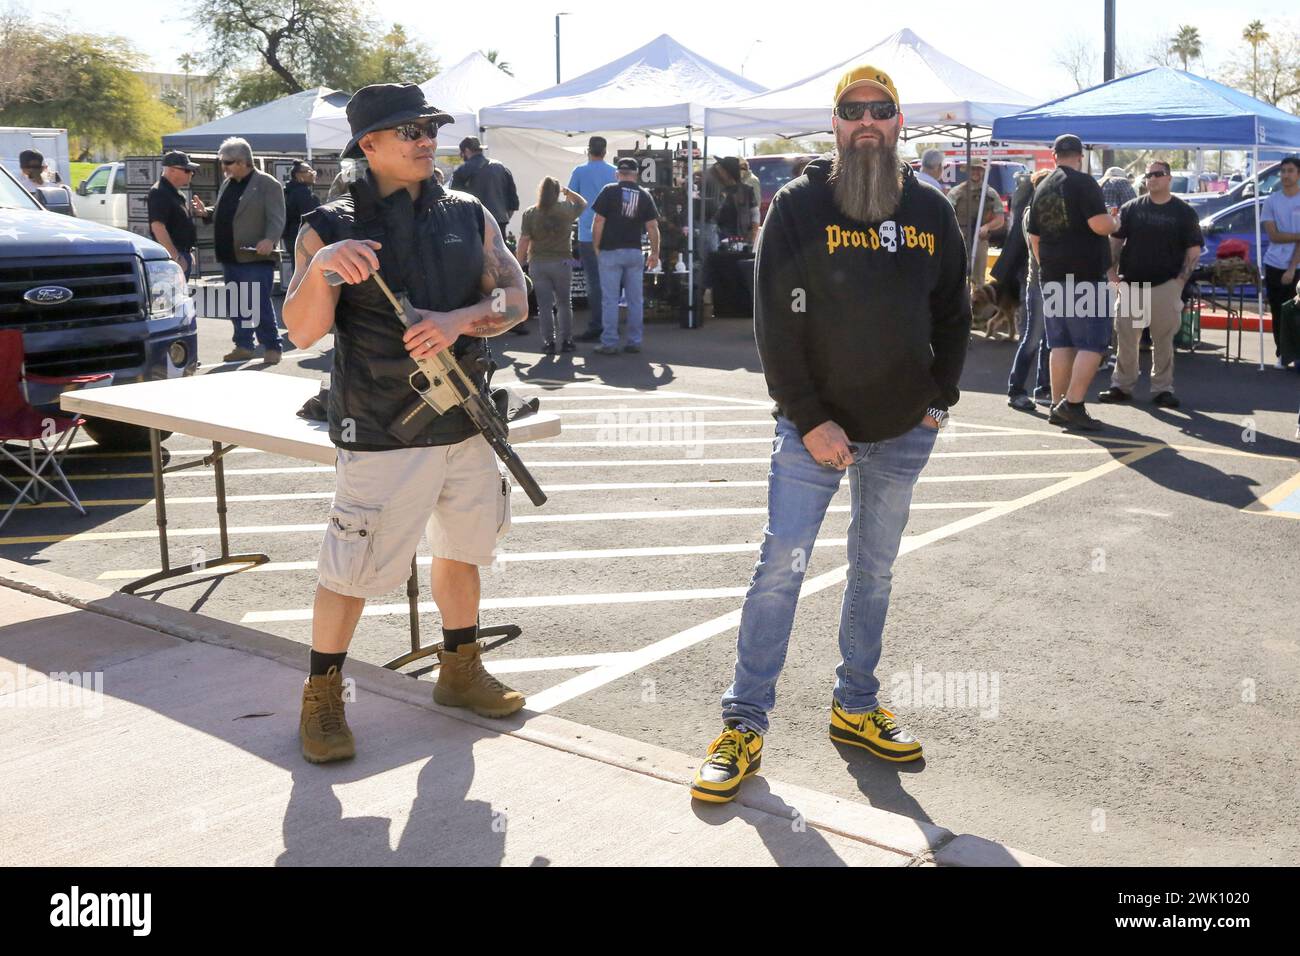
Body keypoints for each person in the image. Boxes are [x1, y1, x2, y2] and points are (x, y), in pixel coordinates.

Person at [690, 63, 970, 803]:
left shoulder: (931, 209)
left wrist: (938, 398)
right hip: (812, 431)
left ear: (900, 122)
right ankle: (743, 723)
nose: (867, 121)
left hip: (904, 430)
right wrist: (809, 418)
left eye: (881, 109)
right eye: (853, 110)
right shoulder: (798, 204)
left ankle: (856, 706)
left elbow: (953, 312)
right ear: (836, 123)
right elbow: (774, 325)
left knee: (873, 574)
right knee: (779, 571)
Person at [282, 83, 530, 765]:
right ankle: (324, 694)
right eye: (409, 131)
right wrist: (325, 270)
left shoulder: (468, 211)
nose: (426, 139)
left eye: (429, 126)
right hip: (381, 427)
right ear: (369, 146)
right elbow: (301, 332)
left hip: (466, 416)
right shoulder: (328, 227)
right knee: (352, 566)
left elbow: (515, 297)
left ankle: (459, 669)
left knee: (464, 548)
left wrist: (457, 321)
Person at [1025, 133, 1118, 431]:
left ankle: (1058, 404)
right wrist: (1114, 220)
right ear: (1080, 156)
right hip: (1085, 276)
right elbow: (1098, 225)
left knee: (1061, 343)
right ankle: (1073, 405)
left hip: (1052, 275)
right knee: (1094, 342)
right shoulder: (1083, 182)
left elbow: (1035, 237)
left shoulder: (1042, 187)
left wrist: (1046, 266)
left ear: (1054, 156)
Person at [1100, 161, 1203, 408]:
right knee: (1125, 340)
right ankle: (1121, 386)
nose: (1152, 178)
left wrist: (1179, 283)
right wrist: (1112, 275)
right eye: (1148, 175)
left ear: (1169, 178)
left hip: (1166, 285)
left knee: (1163, 341)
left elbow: (1193, 250)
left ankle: (1162, 389)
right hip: (1131, 285)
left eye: (1158, 174)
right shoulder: (1131, 209)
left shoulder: (1183, 211)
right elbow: (1114, 243)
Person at [194, 137, 287, 364]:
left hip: (254, 255)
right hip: (230, 255)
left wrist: (270, 239)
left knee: (258, 302)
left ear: (243, 161)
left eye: (227, 162)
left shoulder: (267, 184)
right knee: (238, 303)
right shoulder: (228, 183)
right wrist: (206, 212)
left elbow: (277, 217)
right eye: (222, 162)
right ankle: (244, 345)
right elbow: (224, 210)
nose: (223, 167)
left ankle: (272, 346)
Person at [591, 157, 660, 354]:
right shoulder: (644, 195)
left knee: (610, 300)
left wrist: (597, 246)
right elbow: (652, 227)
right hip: (634, 251)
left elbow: (598, 222)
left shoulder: (609, 191)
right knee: (635, 299)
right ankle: (634, 341)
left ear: (617, 173)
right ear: (636, 174)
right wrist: (655, 252)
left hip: (610, 251)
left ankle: (609, 342)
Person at [517, 177, 586, 353]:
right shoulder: (566, 209)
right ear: (556, 193)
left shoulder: (530, 212)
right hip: (563, 261)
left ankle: (549, 342)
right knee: (564, 303)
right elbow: (583, 203)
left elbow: (524, 240)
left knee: (544, 305)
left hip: (538, 263)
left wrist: (519, 262)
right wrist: (569, 193)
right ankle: (567, 340)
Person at [1006, 168, 1054, 411]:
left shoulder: (1054, 212)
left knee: (1050, 339)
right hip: (1037, 283)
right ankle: (1016, 389)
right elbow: (1038, 247)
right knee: (1033, 338)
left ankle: (1043, 388)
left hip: (1053, 283)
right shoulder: (1031, 212)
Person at [568, 136, 618, 342]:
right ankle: (611, 324)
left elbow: (571, 198)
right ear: (605, 151)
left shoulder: (580, 171)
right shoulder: (614, 171)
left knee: (594, 282)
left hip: (588, 234)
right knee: (612, 281)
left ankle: (597, 324)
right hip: (612, 233)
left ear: (589, 151)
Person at [1260, 155, 1300, 369]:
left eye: (1290, 171)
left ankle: (1297, 353)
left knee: (1297, 312)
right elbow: (1273, 235)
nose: (1285, 175)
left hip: (1297, 266)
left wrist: (1292, 268)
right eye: (1283, 171)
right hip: (1274, 264)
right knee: (1278, 310)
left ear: (1298, 174)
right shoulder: (1272, 201)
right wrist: (1297, 235)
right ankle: (1282, 353)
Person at [947, 158, 1005, 286]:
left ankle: (977, 304)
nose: (976, 172)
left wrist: (986, 227)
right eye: (973, 169)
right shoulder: (957, 192)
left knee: (978, 280)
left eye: (979, 169)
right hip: (959, 238)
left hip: (980, 238)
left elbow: (1000, 219)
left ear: (983, 172)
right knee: (957, 277)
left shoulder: (989, 193)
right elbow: (946, 216)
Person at [147, 151, 205, 277]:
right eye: (187, 170)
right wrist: (176, 257)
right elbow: (158, 227)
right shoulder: (159, 192)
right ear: (172, 170)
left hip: (182, 253)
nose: (191, 173)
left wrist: (187, 252)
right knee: (172, 295)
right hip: (170, 259)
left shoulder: (177, 194)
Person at [281, 160, 320, 293]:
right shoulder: (302, 193)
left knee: (297, 271)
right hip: (302, 239)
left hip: (291, 238)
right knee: (305, 274)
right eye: (309, 171)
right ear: (299, 176)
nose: (312, 174)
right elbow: (311, 218)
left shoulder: (288, 191)